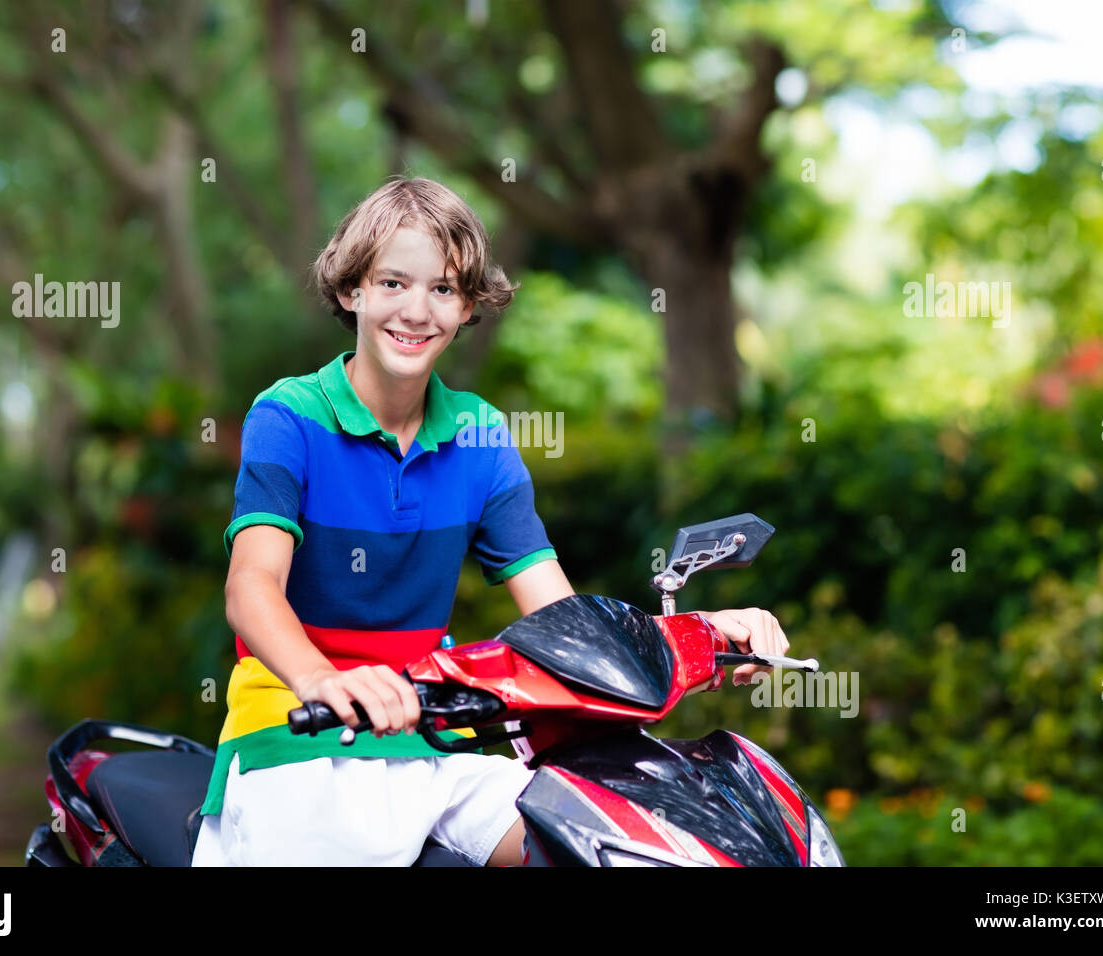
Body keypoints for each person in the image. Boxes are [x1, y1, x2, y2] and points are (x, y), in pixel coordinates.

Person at [191, 176, 790, 866]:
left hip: (439, 741)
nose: (416, 310)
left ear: (469, 305)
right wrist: (324, 680)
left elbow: (564, 625)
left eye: (443, 289)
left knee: (603, 839)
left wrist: (705, 639)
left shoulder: (479, 434)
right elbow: (251, 587)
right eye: (393, 283)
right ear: (351, 290)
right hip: (295, 739)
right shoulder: (288, 416)